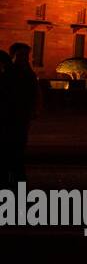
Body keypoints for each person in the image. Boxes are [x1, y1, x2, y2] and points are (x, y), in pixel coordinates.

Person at [5, 43, 39, 185]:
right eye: (21, 55)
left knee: (16, 153)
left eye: (26, 55)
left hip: (20, 119)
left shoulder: (28, 74)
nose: (24, 58)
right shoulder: (10, 73)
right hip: (10, 119)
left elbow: (34, 95)